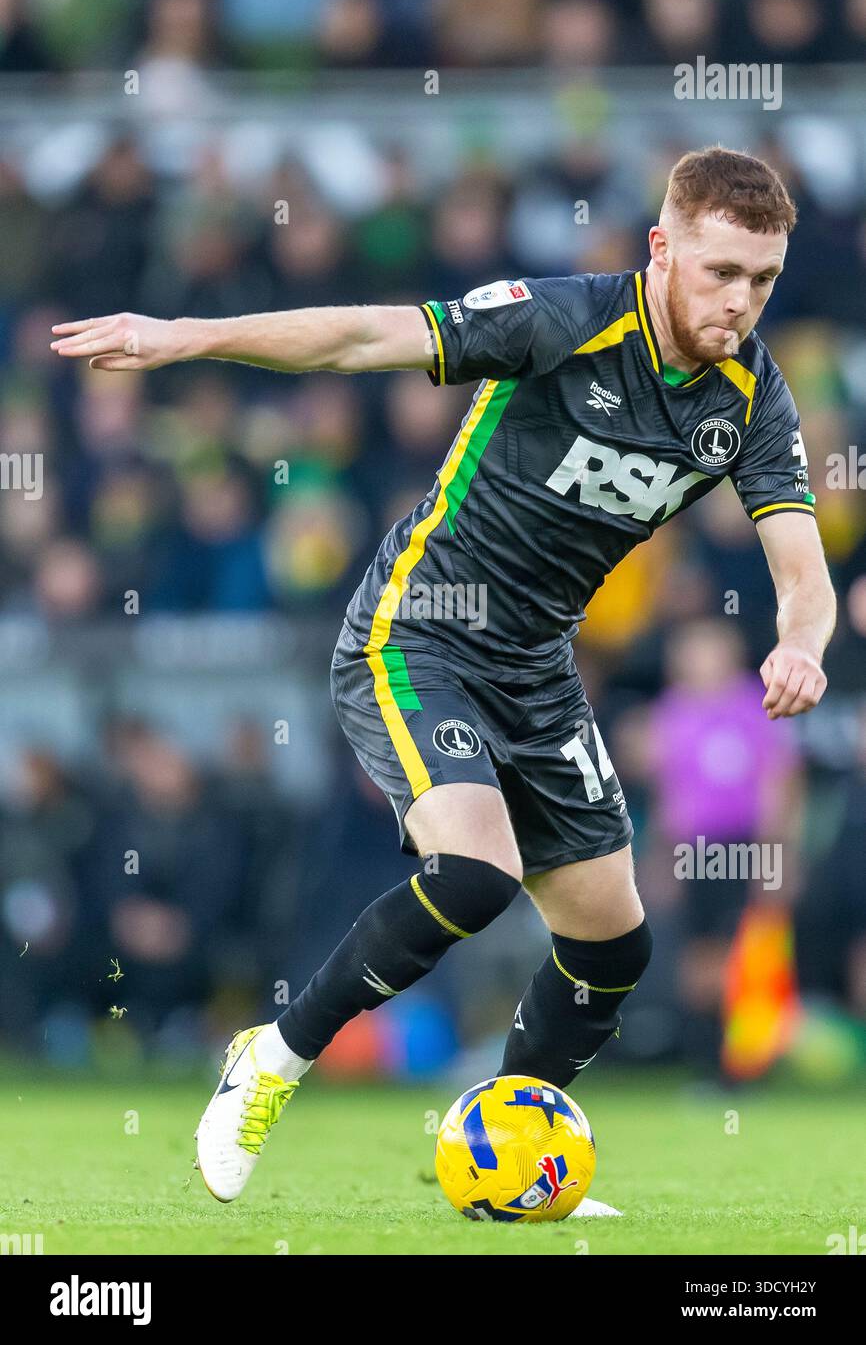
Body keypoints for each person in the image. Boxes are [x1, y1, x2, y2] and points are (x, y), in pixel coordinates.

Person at [51, 146, 836, 1206]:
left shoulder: (749, 400)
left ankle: (506, 1154)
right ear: (660, 249)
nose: (738, 302)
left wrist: (798, 641)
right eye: (718, 272)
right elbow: (367, 334)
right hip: (413, 629)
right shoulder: (562, 319)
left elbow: (802, 569)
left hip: (536, 669)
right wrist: (190, 337)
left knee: (611, 948)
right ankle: (272, 1055)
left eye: (761, 280)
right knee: (474, 873)